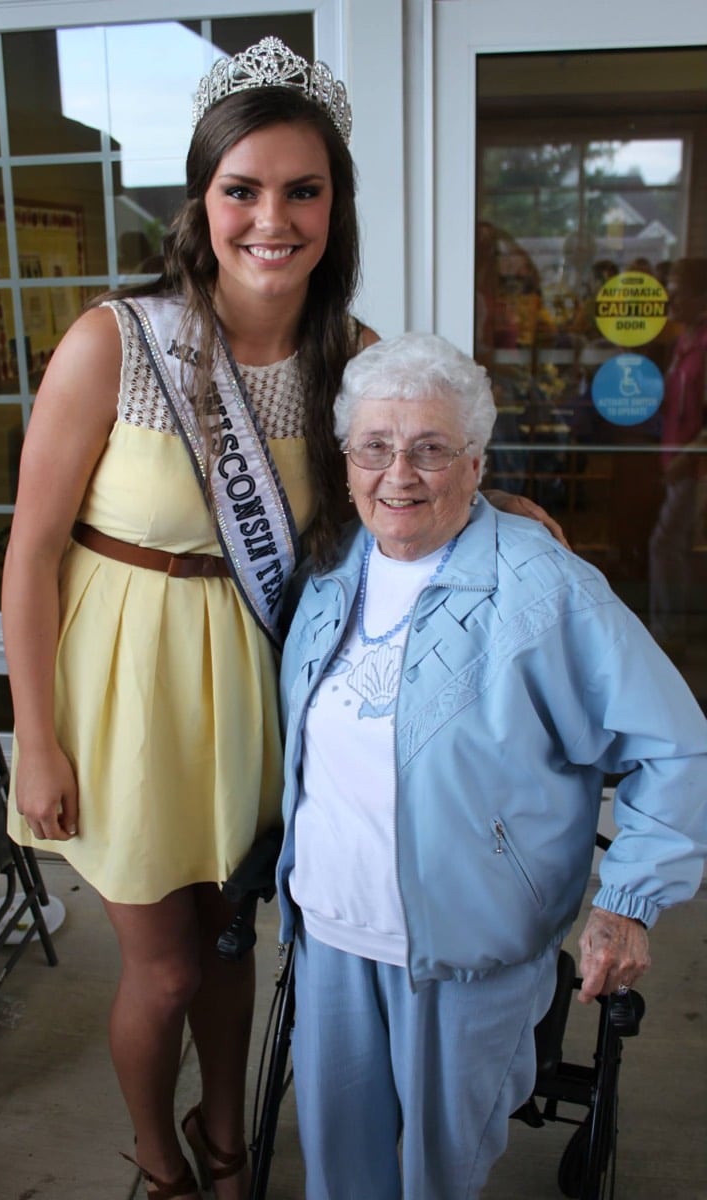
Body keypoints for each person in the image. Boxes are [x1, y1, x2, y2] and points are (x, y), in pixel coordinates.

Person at [1, 37, 562, 1200]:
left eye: (301, 190)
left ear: (332, 205)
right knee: (160, 971)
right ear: (201, 201)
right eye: (241, 189)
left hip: (265, 685)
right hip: (128, 694)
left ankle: (226, 1140)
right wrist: (36, 737)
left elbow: (404, 475)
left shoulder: (345, 355)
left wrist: (498, 499)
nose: (272, 218)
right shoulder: (116, 341)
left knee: (231, 946)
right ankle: (161, 1163)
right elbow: (30, 551)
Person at [275, 331, 707, 1200]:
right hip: (331, 934)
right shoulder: (328, 571)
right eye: (375, 447)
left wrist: (629, 903)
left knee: (440, 1176)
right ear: (347, 458)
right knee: (340, 1173)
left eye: (431, 450)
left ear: (475, 463)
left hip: (469, 956)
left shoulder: (543, 587)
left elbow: (676, 743)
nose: (399, 474)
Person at [648, 256, 707, 655]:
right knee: (675, 545)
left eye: (678, 289)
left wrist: (686, 459)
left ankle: (675, 633)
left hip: (695, 469)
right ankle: (678, 630)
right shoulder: (683, 340)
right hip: (677, 465)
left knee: (667, 544)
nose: (670, 297)